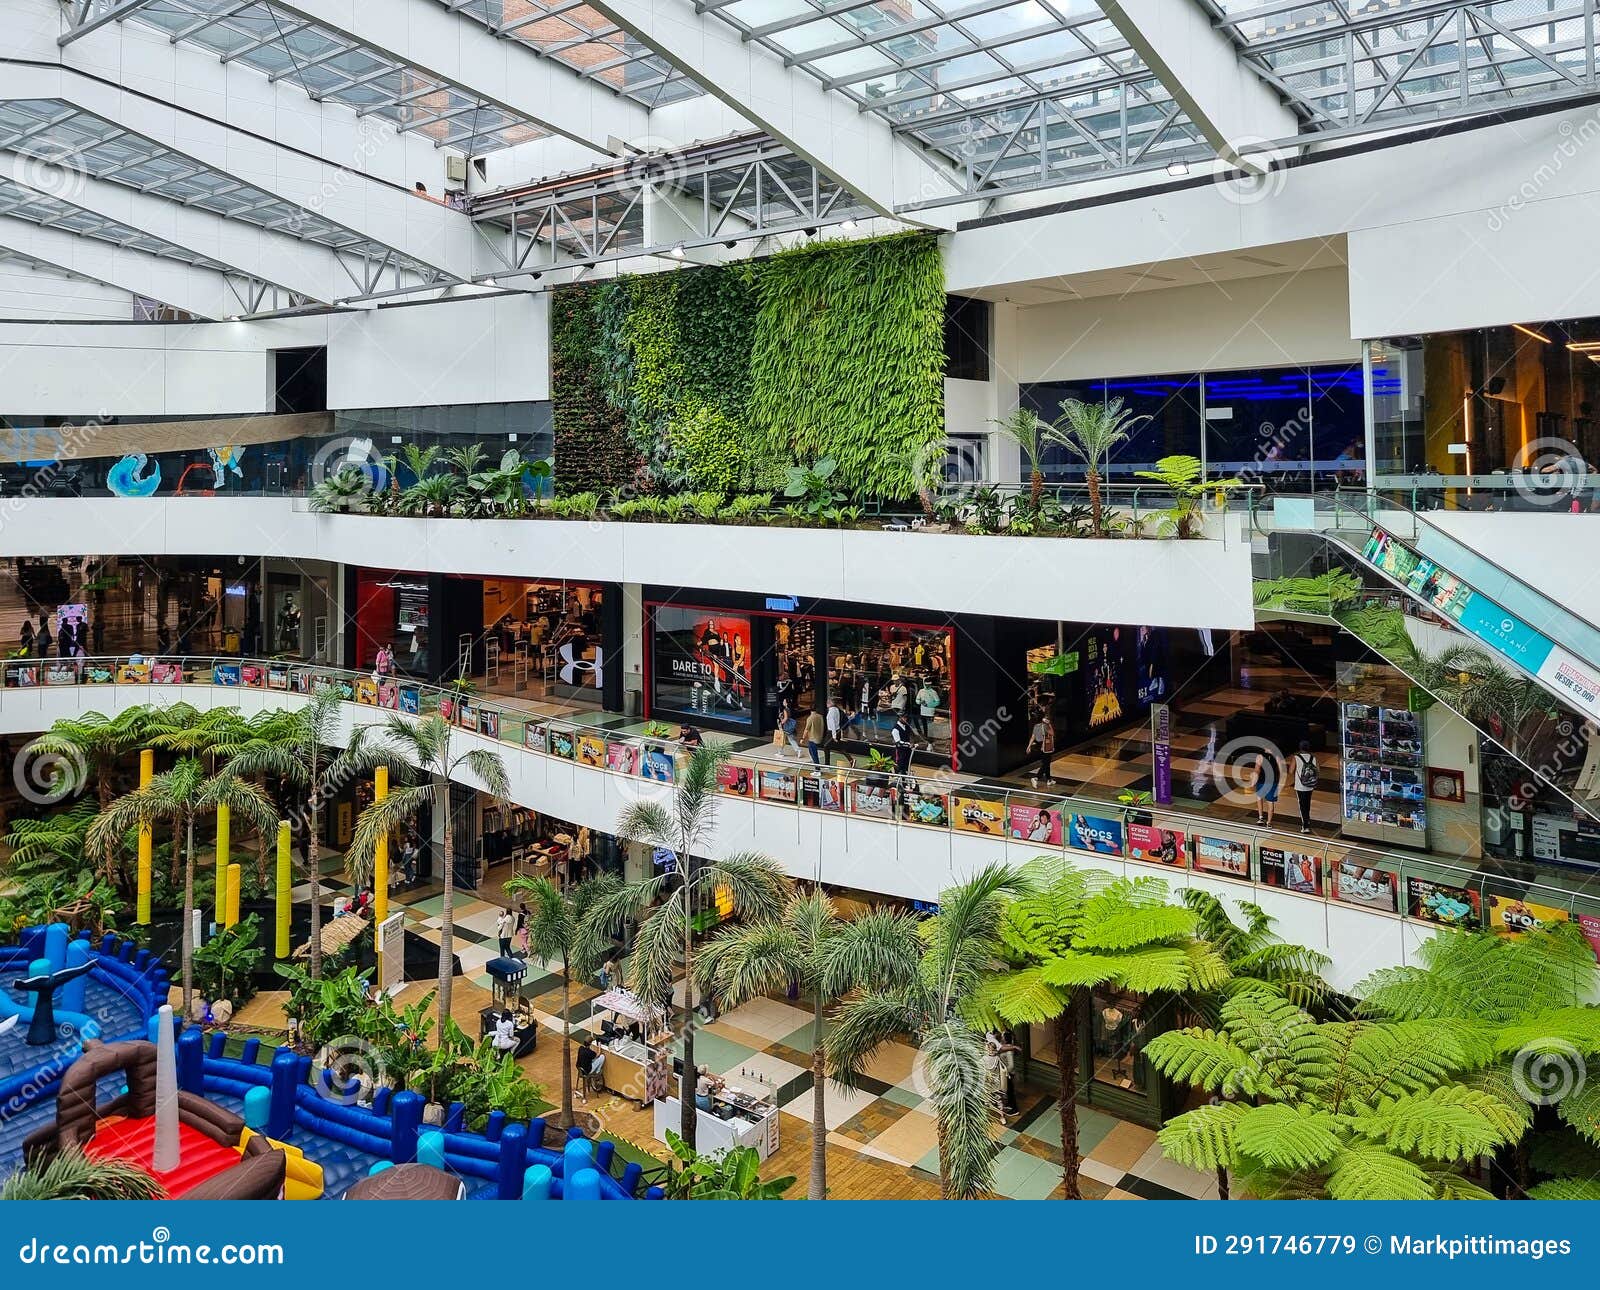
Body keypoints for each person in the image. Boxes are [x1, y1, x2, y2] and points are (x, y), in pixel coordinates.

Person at [1292, 739, 1319, 834]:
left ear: (1300, 747)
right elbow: (1317, 770)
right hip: (1310, 785)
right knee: (1307, 803)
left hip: (1300, 785)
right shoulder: (1313, 758)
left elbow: (1291, 771)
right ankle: (1307, 819)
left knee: (1302, 805)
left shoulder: (1296, 757)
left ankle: (1305, 825)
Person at [1250, 746, 1282, 826]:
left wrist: (1253, 779)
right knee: (1270, 802)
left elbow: (1257, 769)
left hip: (1261, 781)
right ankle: (1269, 822)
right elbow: (1281, 771)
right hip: (1273, 782)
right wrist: (1279, 783)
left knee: (1259, 798)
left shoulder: (1260, 756)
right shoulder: (1277, 757)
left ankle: (1260, 818)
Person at [1025, 708, 1056, 787]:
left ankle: (1049, 779)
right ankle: (1036, 778)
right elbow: (1052, 733)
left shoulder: (1036, 726)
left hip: (1039, 746)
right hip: (1045, 746)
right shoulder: (1045, 726)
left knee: (1046, 763)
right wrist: (1049, 724)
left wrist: (1028, 747)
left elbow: (1033, 737)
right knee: (1045, 764)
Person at [823, 694, 855, 768]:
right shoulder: (837, 710)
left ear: (831, 703)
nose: (827, 703)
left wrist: (833, 736)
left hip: (831, 732)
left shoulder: (831, 712)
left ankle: (827, 765)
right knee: (837, 747)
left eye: (828, 702)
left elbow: (832, 724)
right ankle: (850, 760)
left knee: (826, 746)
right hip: (837, 731)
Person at [890, 711, 914, 779]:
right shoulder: (895, 729)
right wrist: (909, 744)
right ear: (899, 718)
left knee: (906, 768)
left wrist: (912, 743)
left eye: (906, 717)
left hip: (907, 751)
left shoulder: (907, 727)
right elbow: (898, 742)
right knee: (899, 768)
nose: (905, 719)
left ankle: (905, 782)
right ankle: (897, 782)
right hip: (900, 752)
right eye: (904, 717)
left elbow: (911, 736)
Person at [914, 677, 939, 743]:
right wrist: (920, 702)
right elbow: (917, 700)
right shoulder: (921, 691)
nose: (927, 686)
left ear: (930, 684)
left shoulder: (934, 692)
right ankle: (926, 737)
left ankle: (931, 739)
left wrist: (929, 705)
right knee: (924, 725)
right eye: (926, 684)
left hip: (930, 712)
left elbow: (937, 702)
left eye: (928, 685)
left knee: (930, 726)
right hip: (923, 711)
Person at [575, 1037, 598, 1103]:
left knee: (593, 1061)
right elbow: (597, 1055)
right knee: (601, 1058)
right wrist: (599, 1048)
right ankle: (597, 1073)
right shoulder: (590, 1052)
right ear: (590, 1044)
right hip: (587, 1071)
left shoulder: (580, 1048)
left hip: (580, 1069)